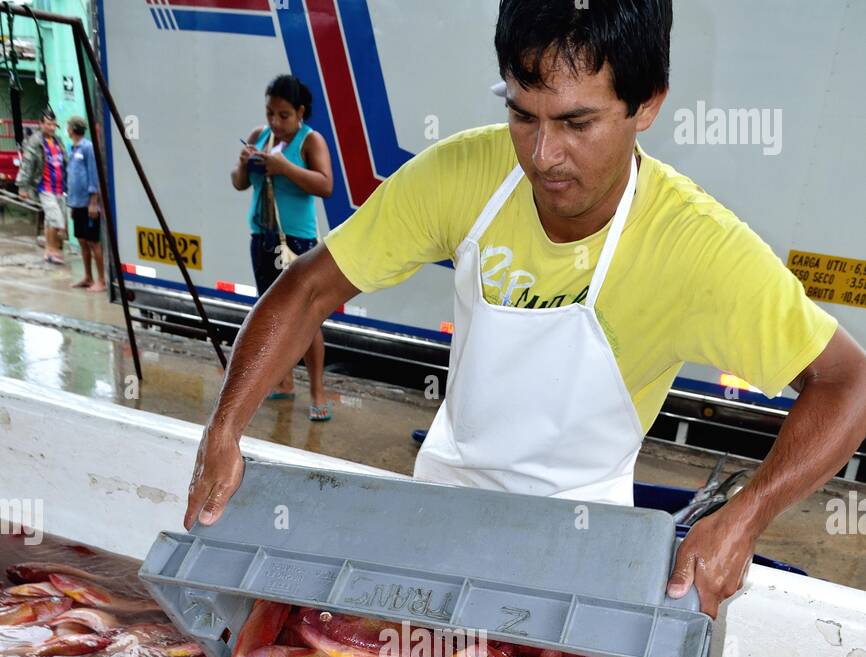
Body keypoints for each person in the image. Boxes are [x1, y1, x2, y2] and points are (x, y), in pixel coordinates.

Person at [187, 0, 866, 619]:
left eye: (577, 122)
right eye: (521, 114)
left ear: (648, 104)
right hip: (441, 511)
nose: (544, 156)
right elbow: (307, 286)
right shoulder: (462, 176)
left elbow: (849, 383)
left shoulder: (694, 247)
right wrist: (224, 428)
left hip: (584, 547)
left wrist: (747, 515)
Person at [232, 74, 334, 418]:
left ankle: (318, 393)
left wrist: (285, 167)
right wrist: (246, 164)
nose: (275, 122)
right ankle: (285, 382)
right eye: (270, 113)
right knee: (271, 313)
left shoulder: (310, 141)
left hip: (297, 241)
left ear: (300, 112)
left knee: (306, 317)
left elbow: (325, 185)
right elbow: (238, 183)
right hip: (262, 237)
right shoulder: (258, 137)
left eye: (284, 115)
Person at [17, 110, 68, 266]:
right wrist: (22, 187)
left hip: (60, 188)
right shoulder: (35, 141)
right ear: (41, 124)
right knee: (57, 221)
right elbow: (26, 165)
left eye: (54, 124)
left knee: (52, 221)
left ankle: (47, 251)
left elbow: (64, 162)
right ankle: (54, 251)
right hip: (44, 187)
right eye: (48, 124)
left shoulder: (57, 140)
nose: (52, 127)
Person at [66, 116, 105, 293]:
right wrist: (73, 205)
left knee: (93, 242)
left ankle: (102, 280)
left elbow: (93, 175)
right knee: (82, 241)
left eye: (68, 127)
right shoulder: (73, 149)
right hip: (77, 203)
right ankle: (88, 277)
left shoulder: (88, 148)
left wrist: (93, 202)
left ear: (72, 130)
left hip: (88, 204)